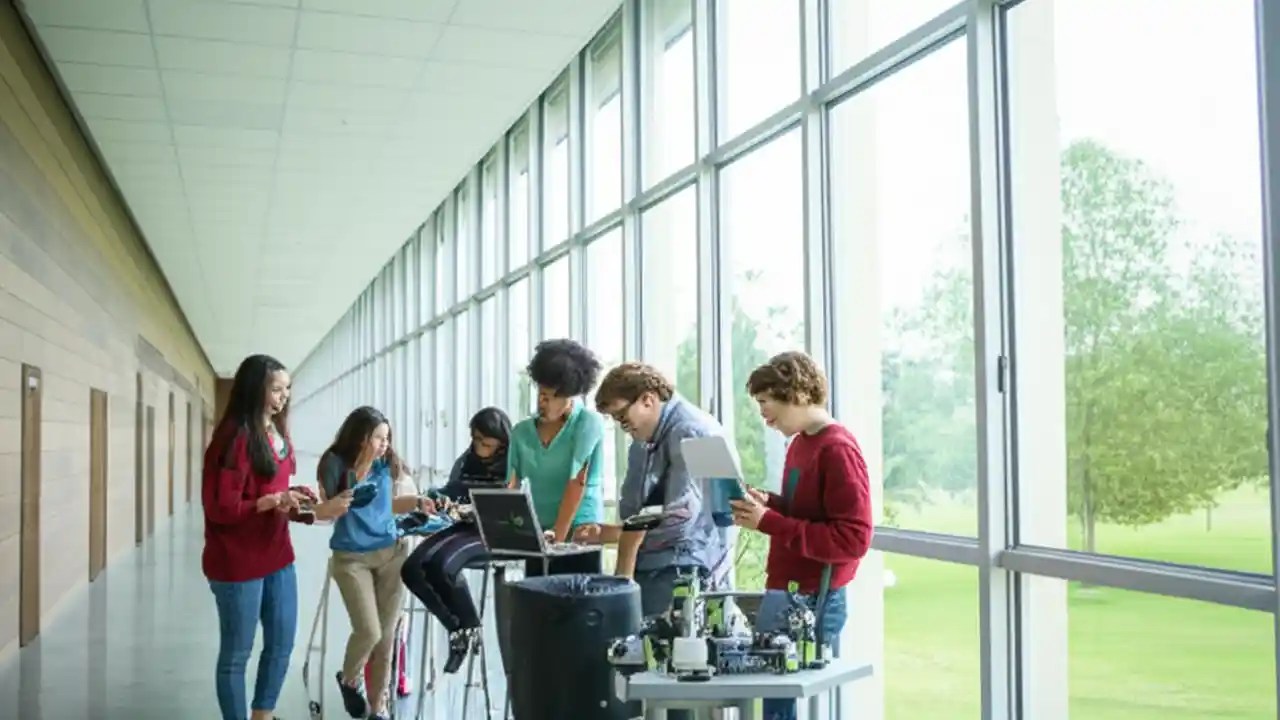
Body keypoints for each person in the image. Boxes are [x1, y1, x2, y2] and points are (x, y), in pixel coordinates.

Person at [729, 351, 873, 720]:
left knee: (777, 709)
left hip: (811, 601)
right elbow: (806, 512)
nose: (762, 415)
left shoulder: (837, 449)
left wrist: (768, 521)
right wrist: (770, 504)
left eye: (765, 402)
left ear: (794, 393)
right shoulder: (801, 444)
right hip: (790, 592)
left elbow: (852, 539)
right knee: (775, 707)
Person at [202, 354, 313, 720]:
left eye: (287, 388)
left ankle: (262, 715)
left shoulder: (277, 433)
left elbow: (272, 485)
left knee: (282, 643)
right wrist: (268, 502)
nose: (284, 396)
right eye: (276, 389)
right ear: (255, 390)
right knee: (237, 654)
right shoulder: (234, 438)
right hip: (237, 561)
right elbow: (222, 508)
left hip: (277, 554)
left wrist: (294, 495)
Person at [577, 362, 731, 617]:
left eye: (624, 419)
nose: (623, 427)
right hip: (652, 565)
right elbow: (633, 506)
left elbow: (700, 514)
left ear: (647, 400)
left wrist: (617, 534)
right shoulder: (644, 438)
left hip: (685, 567)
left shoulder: (694, 431)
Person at [314, 406, 428, 720]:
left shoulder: (387, 465)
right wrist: (359, 473)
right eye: (378, 437)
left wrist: (418, 502)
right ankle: (349, 680)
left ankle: (378, 707)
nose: (384, 444)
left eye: (387, 438)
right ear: (360, 436)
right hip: (351, 557)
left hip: (391, 553)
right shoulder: (335, 464)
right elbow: (328, 509)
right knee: (369, 631)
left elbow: (388, 506)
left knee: (387, 636)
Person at [400, 407, 512, 674]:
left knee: (441, 565)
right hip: (464, 526)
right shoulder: (466, 462)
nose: (479, 448)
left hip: (496, 530)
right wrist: (436, 498)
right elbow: (452, 490)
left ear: (502, 444)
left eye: (486, 443)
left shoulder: (513, 463)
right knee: (412, 569)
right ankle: (458, 630)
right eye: (475, 440)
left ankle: (469, 628)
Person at [507, 338, 606, 575]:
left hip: (579, 530)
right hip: (539, 531)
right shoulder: (521, 432)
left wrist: (559, 538)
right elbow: (511, 485)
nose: (541, 401)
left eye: (549, 396)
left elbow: (577, 481)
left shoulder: (588, 424)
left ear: (569, 396)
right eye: (540, 392)